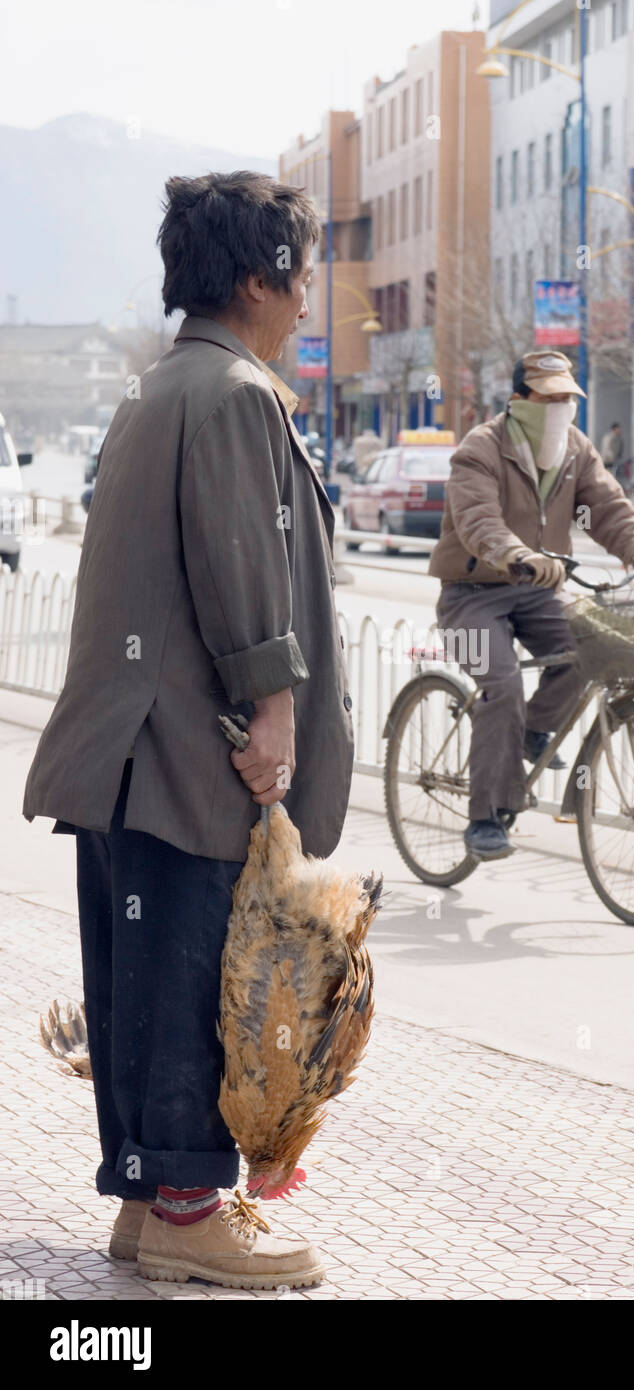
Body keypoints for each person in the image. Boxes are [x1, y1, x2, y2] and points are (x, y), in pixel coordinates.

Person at [22, 172, 354, 1289]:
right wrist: (272, 712)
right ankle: (184, 1209)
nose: (307, 300)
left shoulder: (162, 385)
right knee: (189, 979)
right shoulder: (234, 394)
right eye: (301, 276)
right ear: (258, 279)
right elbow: (242, 567)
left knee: (141, 971)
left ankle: (149, 1202)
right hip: (182, 756)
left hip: (127, 753)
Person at [429, 350, 634, 861]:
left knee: (592, 647)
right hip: (471, 592)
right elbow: (477, 520)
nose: (561, 407)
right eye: (549, 398)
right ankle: (484, 820)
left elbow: (607, 509)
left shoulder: (575, 450)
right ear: (519, 400)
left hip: (538, 589)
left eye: (568, 399)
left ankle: (533, 731)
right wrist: (515, 552)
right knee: (502, 686)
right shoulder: (481, 448)